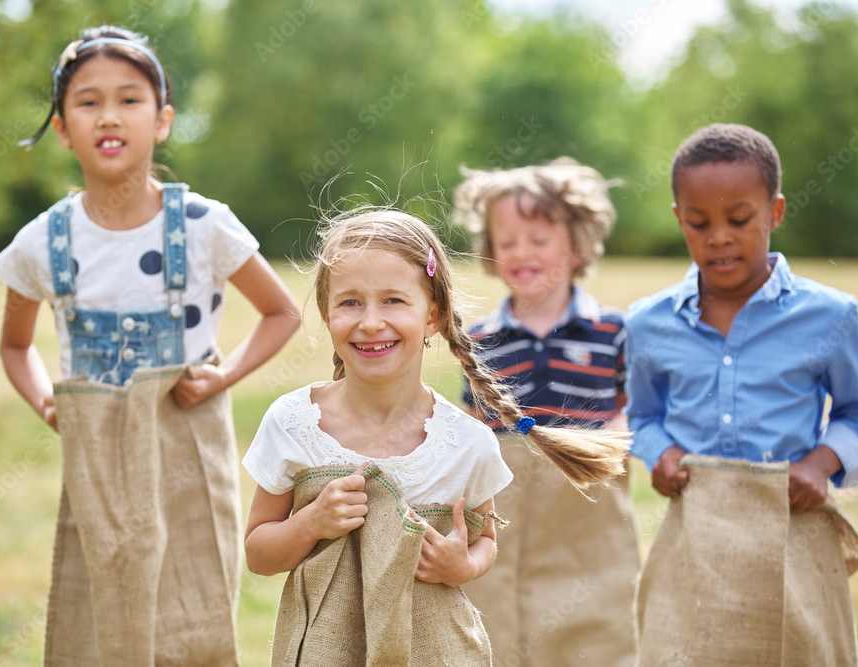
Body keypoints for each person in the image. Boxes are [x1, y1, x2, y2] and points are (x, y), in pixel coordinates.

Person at [0, 26, 300, 666]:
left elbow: (281, 312)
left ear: (162, 121)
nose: (109, 115)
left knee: (195, 603)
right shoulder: (44, 242)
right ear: (62, 129)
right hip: (98, 455)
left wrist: (223, 375)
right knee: (103, 597)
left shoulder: (203, 226)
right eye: (87, 101)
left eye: (130, 99)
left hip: (187, 440)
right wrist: (49, 402)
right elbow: (16, 347)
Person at [242, 208, 630, 665]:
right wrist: (309, 524)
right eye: (350, 302)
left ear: (433, 317)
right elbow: (258, 555)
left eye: (393, 300)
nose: (370, 322)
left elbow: (486, 540)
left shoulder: (467, 442)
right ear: (327, 315)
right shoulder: (293, 422)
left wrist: (462, 565)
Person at [625, 123, 858, 665]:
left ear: (775, 212)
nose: (719, 236)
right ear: (680, 220)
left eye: (739, 219)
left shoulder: (830, 315)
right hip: (695, 535)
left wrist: (820, 463)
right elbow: (643, 414)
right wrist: (660, 453)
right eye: (699, 223)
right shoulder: (648, 323)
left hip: (791, 528)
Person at [452, 158, 640, 667]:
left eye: (537, 239)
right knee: (500, 635)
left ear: (575, 244)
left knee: (596, 639)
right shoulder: (479, 342)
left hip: (587, 526)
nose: (520, 253)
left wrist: (610, 446)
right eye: (506, 242)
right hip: (505, 526)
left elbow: (632, 414)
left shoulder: (612, 333)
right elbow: (472, 431)